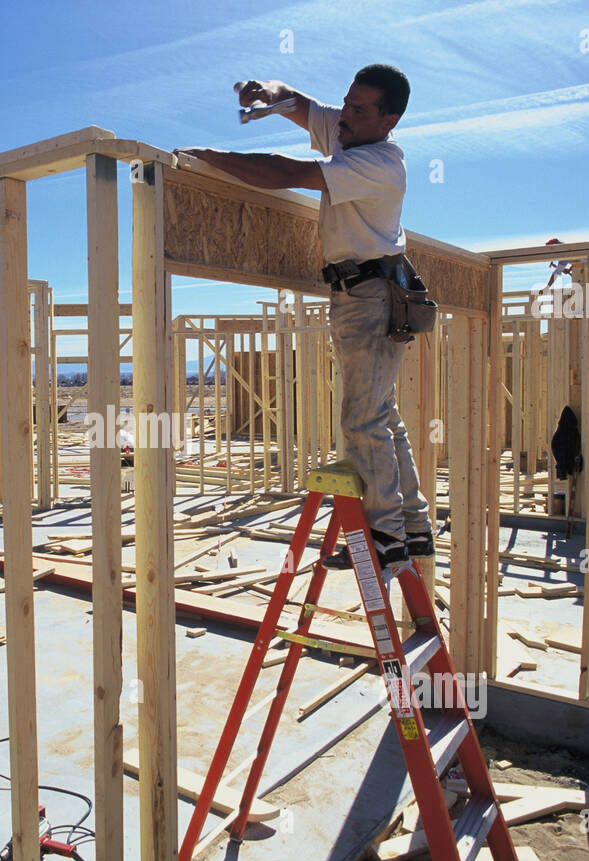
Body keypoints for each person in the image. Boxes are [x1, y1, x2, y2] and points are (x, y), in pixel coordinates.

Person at [176, 65, 433, 580]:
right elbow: (296, 102)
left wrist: (206, 159)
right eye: (347, 102)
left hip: (372, 298)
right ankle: (412, 525)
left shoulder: (380, 162)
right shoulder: (349, 132)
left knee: (363, 422)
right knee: (383, 416)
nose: (346, 115)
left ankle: (386, 539)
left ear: (390, 118)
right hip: (363, 293)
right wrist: (265, 94)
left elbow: (286, 171)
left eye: (360, 109)